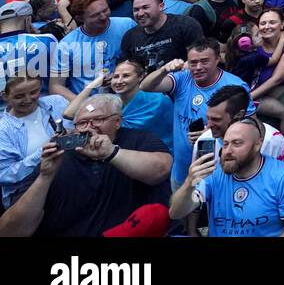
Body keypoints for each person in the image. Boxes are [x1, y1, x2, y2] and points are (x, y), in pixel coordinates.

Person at [0, 92, 171, 237]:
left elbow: (161, 170)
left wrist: (111, 153)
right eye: (82, 123)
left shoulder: (139, 139)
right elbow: (10, 231)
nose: (89, 128)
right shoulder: (57, 157)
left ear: (117, 121)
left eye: (98, 120)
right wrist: (45, 177)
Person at [169, 117, 284, 237]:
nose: (227, 151)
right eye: (226, 144)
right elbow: (176, 213)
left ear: (257, 144)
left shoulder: (282, 176)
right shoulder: (214, 175)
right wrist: (189, 183)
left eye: (237, 143)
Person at [140, 38, 246, 188]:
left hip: (217, 174)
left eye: (204, 61)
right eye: (193, 62)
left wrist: (212, 132)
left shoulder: (235, 86)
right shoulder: (183, 78)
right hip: (181, 172)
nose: (198, 67)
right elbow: (146, 86)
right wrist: (165, 69)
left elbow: (250, 126)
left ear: (217, 59)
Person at [62, 59, 174, 153]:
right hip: (119, 159)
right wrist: (92, 85)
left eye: (126, 76)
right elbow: (69, 114)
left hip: (158, 157)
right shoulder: (109, 102)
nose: (119, 81)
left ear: (140, 77)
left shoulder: (159, 101)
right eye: (116, 77)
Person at [0, 74, 69, 207]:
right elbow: (4, 175)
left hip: (67, 176)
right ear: (5, 96)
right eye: (19, 96)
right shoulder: (3, 130)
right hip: (28, 191)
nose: (28, 100)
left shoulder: (56, 102)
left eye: (34, 92)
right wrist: (40, 155)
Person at [120, 0, 204, 74]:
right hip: (147, 84)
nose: (140, 13)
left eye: (145, 7)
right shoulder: (130, 37)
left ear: (161, 6)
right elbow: (126, 69)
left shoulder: (185, 25)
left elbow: (199, 57)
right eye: (136, 10)